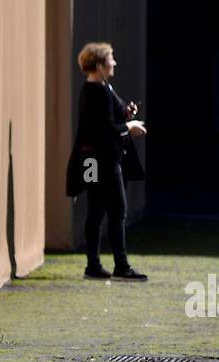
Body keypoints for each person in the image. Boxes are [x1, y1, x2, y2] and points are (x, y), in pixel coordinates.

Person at [69, 42, 147, 281]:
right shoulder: (99, 92)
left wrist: (125, 114)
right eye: (111, 59)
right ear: (101, 65)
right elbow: (105, 130)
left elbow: (103, 122)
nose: (114, 63)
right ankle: (120, 266)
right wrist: (129, 127)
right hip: (104, 161)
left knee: (97, 210)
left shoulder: (95, 89)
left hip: (94, 160)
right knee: (116, 210)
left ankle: (94, 264)